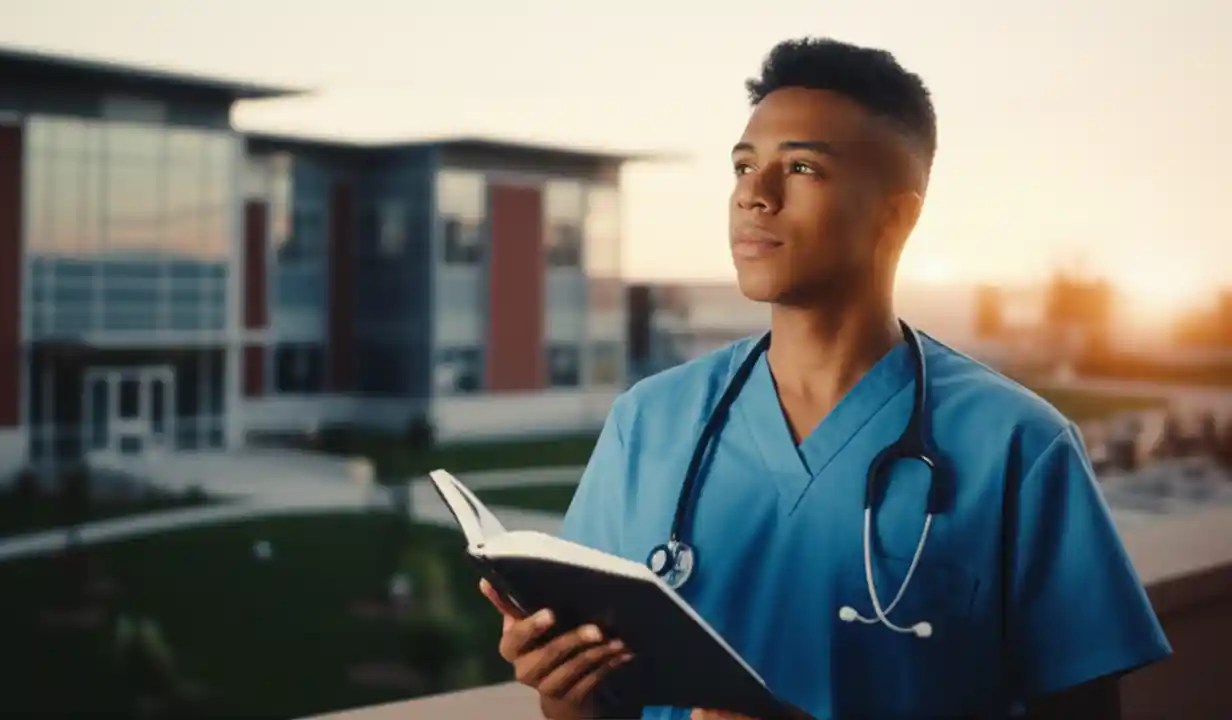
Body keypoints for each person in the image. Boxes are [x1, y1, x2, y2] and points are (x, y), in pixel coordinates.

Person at [480, 36, 1171, 719]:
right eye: (743, 166)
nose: (755, 194)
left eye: (803, 168)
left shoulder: (1018, 446)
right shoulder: (650, 423)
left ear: (896, 216)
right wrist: (561, 688)